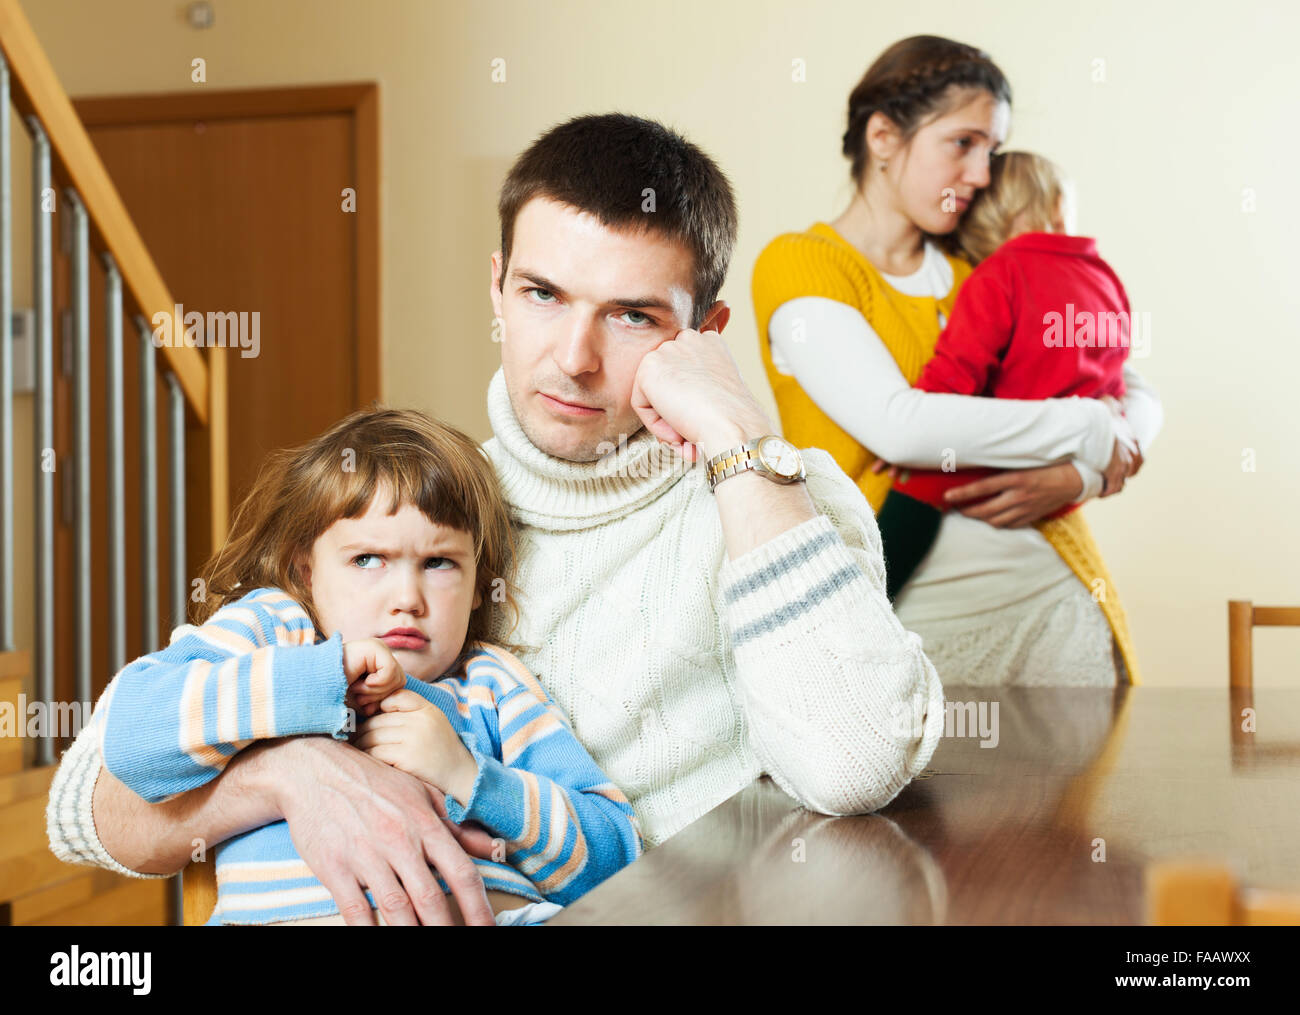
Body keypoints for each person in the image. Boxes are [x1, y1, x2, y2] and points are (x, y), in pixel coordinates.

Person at [47, 112, 947, 925]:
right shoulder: (418, 512)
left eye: (631, 316)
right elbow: (85, 804)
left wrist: (740, 441)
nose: (574, 358)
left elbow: (855, 763)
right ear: (497, 289)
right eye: (542, 294)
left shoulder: (777, 494)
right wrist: (293, 773)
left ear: (702, 332)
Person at [93, 407, 642, 925]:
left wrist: (472, 776)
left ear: (480, 585)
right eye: (367, 559)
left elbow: (619, 861)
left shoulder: (492, 682)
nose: (407, 597)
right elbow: (135, 732)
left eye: (439, 563)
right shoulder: (277, 631)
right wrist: (320, 677)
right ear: (306, 571)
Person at [752, 35, 1163, 688]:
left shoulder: (988, 268)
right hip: (907, 633)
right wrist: (1089, 433)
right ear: (883, 136)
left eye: (993, 150)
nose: (982, 173)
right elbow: (901, 427)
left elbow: (1131, 387)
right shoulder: (804, 265)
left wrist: (1081, 479)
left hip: (1059, 616)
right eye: (963, 144)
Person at [877, 150, 1138, 599]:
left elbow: (960, 366)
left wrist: (911, 440)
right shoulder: (1107, 280)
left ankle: (866, 599)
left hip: (1007, 451)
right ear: (1058, 208)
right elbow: (1116, 379)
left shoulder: (1001, 274)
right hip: (1073, 475)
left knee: (916, 491)